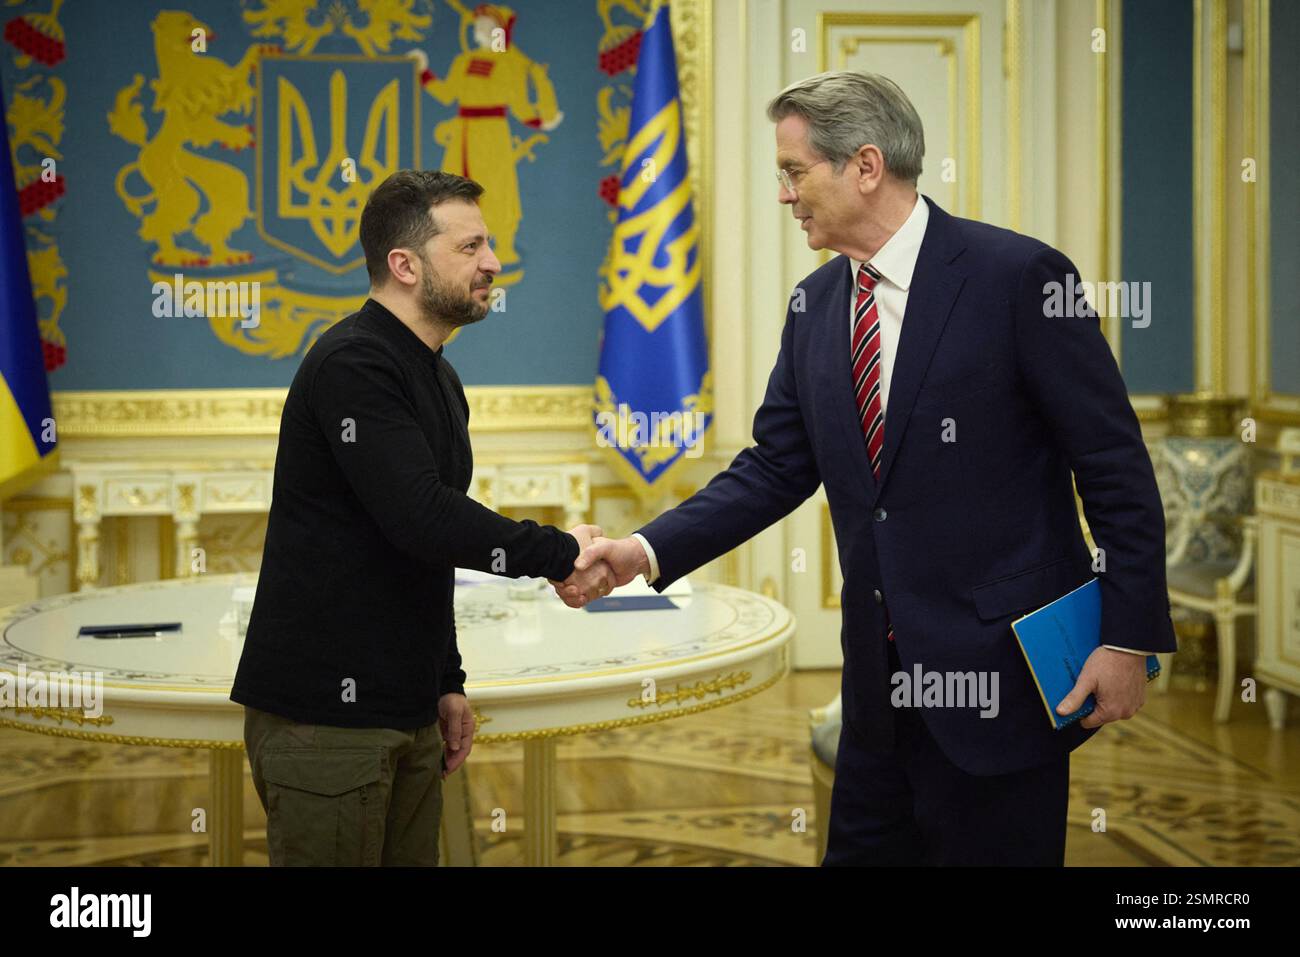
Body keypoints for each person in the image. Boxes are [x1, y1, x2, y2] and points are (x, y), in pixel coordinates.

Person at [562, 72, 1177, 866]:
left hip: (1002, 683)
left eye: (794, 172)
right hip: (876, 698)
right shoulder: (814, 306)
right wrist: (642, 552)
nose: (785, 195)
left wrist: (1127, 639)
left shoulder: (1019, 279)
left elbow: (1116, 469)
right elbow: (775, 467)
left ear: (864, 165)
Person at [231, 169, 613, 866]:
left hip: (405, 706)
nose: (493, 263)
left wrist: (446, 679)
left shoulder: (436, 371)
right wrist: (561, 552)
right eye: (470, 247)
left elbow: (418, 551)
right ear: (404, 265)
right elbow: (423, 517)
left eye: (488, 245)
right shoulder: (354, 362)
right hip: (328, 717)